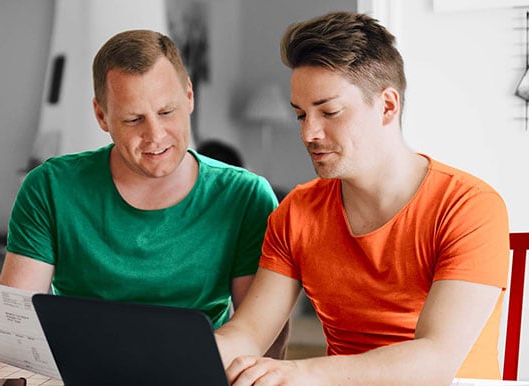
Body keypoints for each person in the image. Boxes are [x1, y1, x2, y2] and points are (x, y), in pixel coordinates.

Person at [0, 29, 287, 372]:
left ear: (189, 96)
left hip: (197, 372)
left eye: (167, 112)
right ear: (102, 115)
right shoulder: (50, 187)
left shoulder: (245, 196)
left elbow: (260, 340)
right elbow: (15, 326)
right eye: (134, 119)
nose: (156, 136)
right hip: (80, 372)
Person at [215, 11, 510, 386]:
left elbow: (436, 360)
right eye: (301, 115)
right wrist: (183, 357)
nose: (309, 133)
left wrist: (304, 372)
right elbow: (250, 332)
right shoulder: (296, 212)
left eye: (329, 112)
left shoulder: (469, 206)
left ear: (387, 106)